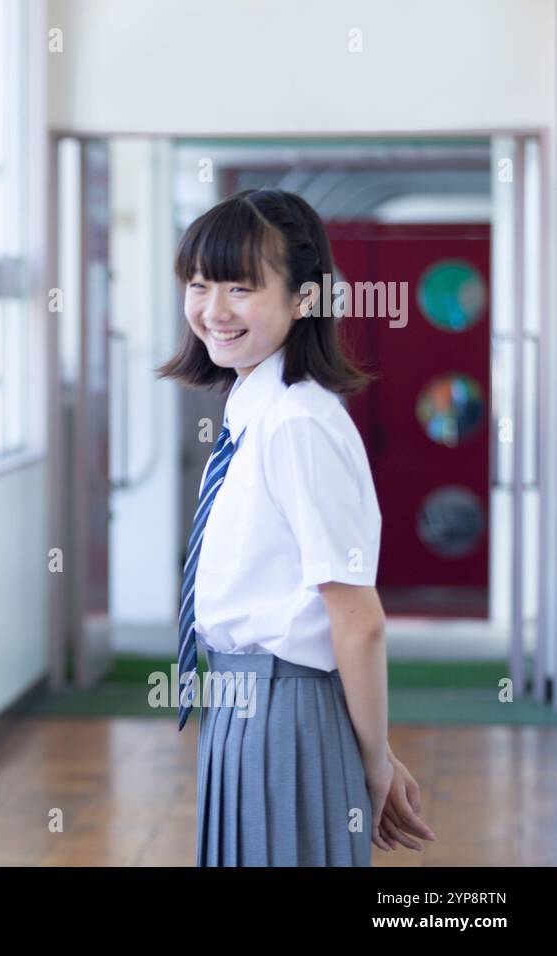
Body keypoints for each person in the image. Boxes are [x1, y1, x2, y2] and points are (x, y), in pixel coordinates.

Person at [158, 188, 436, 866]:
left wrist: (376, 761)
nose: (213, 310)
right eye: (199, 284)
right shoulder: (252, 414)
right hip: (240, 703)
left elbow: (357, 617)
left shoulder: (297, 423)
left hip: (285, 708)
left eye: (240, 287)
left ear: (305, 298)